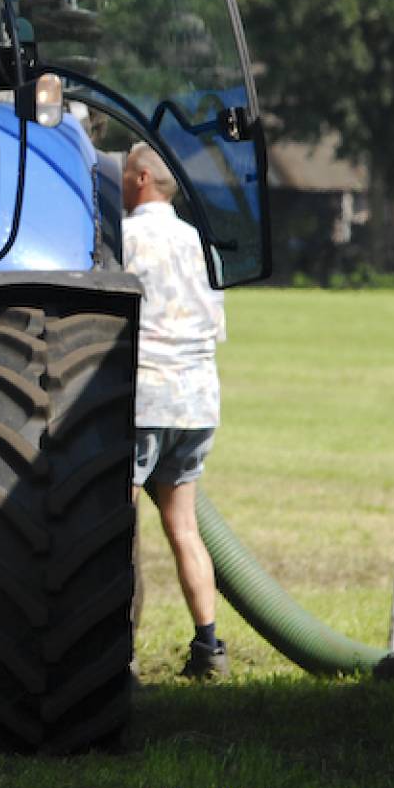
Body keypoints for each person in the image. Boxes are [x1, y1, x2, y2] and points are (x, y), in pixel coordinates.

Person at [120, 142, 229, 679]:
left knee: (121, 524)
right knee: (183, 525)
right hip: (197, 399)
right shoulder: (200, 243)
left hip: (143, 395)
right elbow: (217, 324)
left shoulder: (126, 238)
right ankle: (209, 647)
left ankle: (120, 649)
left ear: (142, 178)